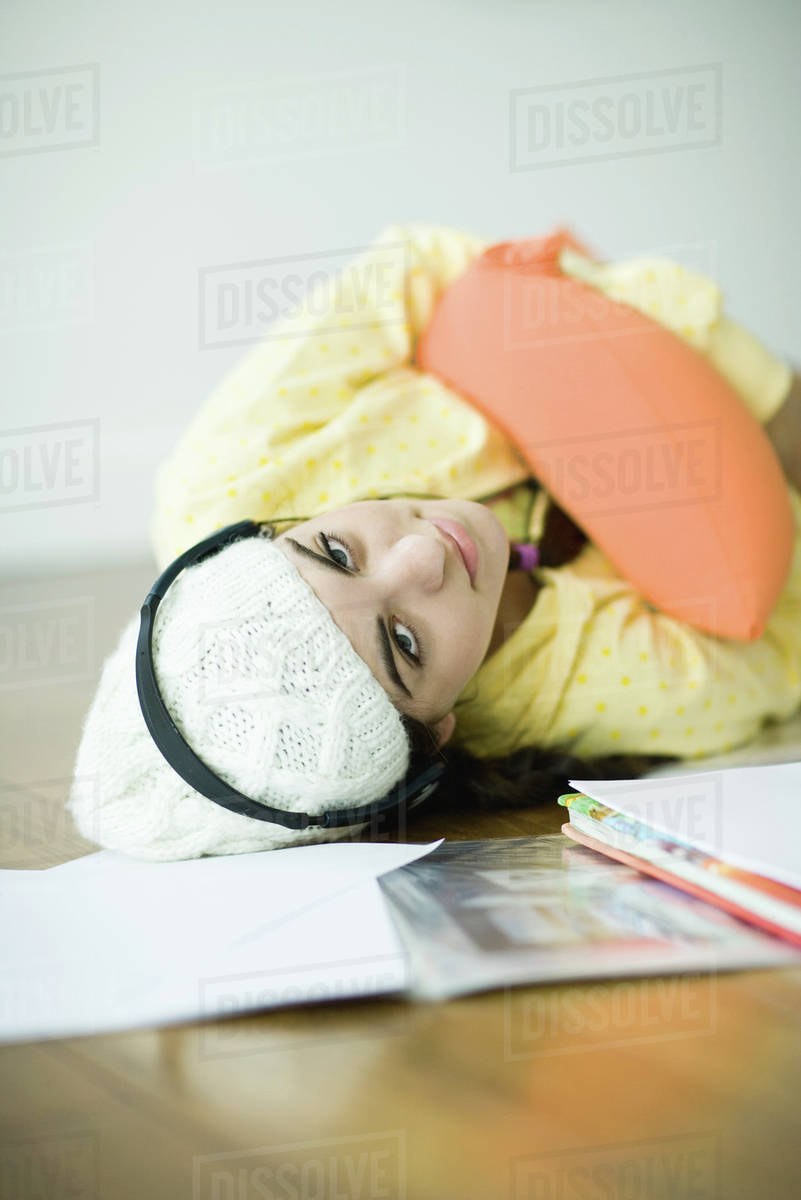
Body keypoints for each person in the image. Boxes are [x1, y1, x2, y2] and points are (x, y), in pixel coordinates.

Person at [68, 223, 801, 859]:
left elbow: (412, 267)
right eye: (405, 643)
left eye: (336, 553)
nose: (424, 555)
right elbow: (780, 649)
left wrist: (709, 366)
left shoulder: (231, 474)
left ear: (281, 528)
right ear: (439, 730)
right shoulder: (561, 692)